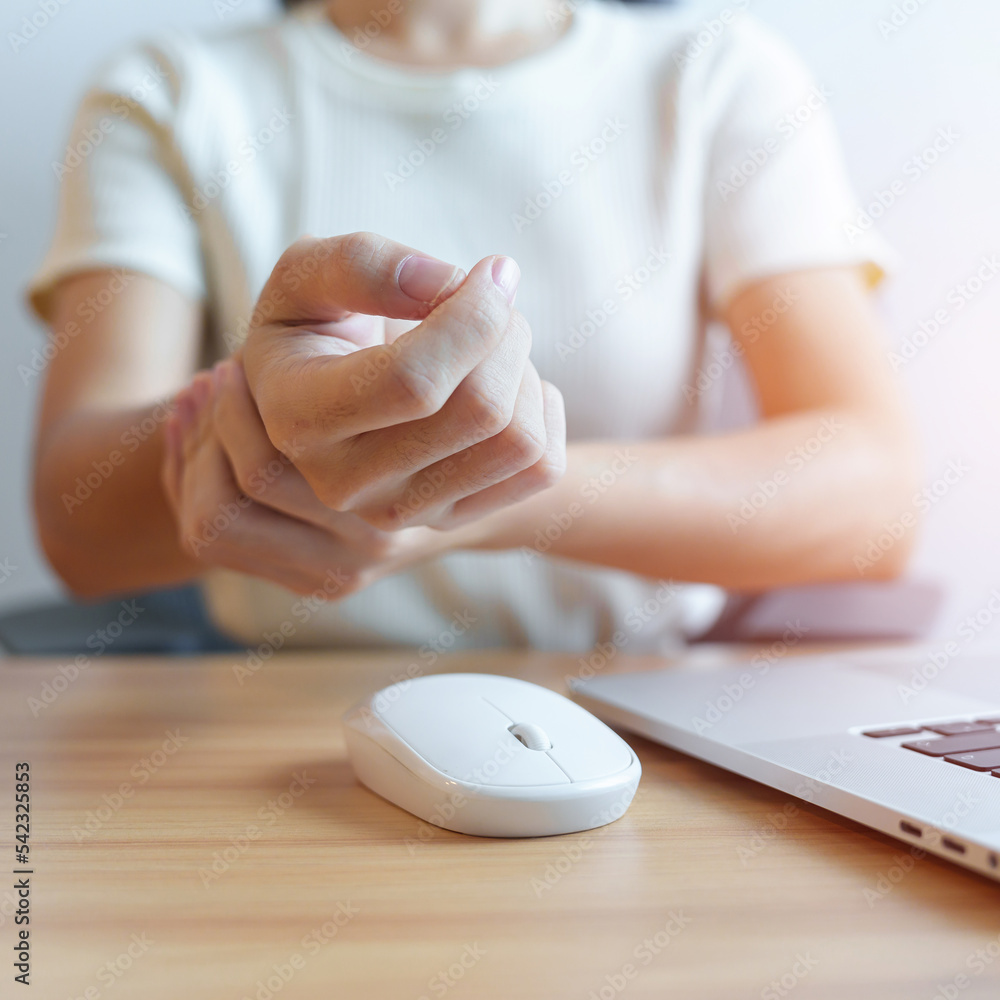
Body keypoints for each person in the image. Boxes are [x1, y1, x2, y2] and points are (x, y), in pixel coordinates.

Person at [26, 0, 919, 653]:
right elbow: (79, 526)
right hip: (272, 719)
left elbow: (875, 495)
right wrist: (258, 416)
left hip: (647, 716)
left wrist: (480, 501)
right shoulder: (172, 91)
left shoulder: (716, 74)